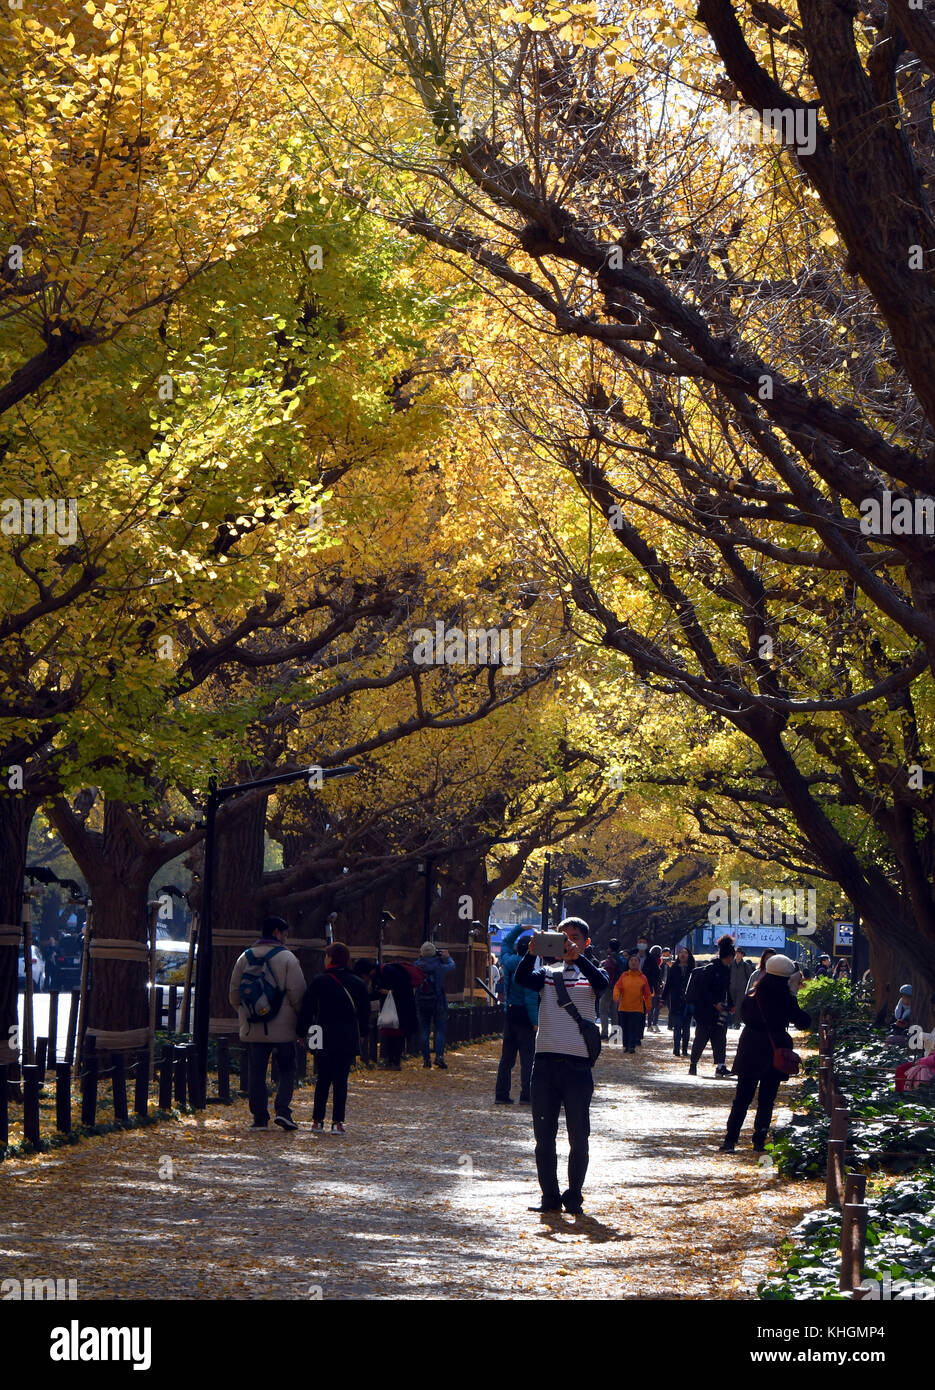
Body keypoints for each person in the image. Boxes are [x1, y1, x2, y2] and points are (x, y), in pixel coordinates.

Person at [516, 917, 608, 1215]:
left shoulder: (592, 973)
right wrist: (531, 952)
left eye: (575, 937)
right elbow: (521, 979)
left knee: (579, 1136)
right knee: (543, 1138)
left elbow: (602, 984)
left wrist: (578, 959)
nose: (568, 942)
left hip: (578, 1067)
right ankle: (549, 1197)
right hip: (543, 1065)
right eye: (562, 937)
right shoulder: (546, 974)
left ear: (586, 942)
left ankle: (574, 1195)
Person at [719, 954, 811, 1152]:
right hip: (774, 1049)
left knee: (742, 1098)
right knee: (767, 1100)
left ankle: (730, 1140)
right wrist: (794, 994)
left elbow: (743, 1016)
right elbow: (804, 1022)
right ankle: (759, 1140)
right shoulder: (787, 999)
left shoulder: (753, 995)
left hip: (750, 1048)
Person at [228, 916, 306, 1131]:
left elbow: (234, 995)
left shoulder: (245, 957)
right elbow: (298, 994)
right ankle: (282, 1110)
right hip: (284, 1029)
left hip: (253, 1027)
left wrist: (249, 1013)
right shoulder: (288, 959)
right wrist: (300, 1020)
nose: (286, 938)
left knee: (257, 1072)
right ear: (276, 933)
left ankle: (260, 1117)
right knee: (288, 1068)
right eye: (285, 934)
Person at [298, 941, 371, 1134]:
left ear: (331, 958)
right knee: (341, 1080)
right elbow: (364, 1012)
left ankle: (317, 1120)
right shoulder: (357, 982)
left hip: (321, 1033)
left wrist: (301, 1032)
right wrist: (363, 1034)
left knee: (322, 1079)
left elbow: (308, 1009)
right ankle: (338, 1122)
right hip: (347, 1035)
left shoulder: (319, 981)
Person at [495, 925, 539, 1104]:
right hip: (525, 1017)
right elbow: (530, 998)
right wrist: (535, 1022)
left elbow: (505, 942)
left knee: (507, 1058)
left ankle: (501, 1094)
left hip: (510, 1013)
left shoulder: (508, 961)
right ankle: (526, 1094)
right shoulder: (528, 970)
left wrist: (521, 928)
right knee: (527, 1059)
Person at [688, 934, 735, 1078]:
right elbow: (704, 990)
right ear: (728, 956)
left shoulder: (726, 970)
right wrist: (715, 1003)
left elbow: (727, 989)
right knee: (701, 1038)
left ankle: (720, 1066)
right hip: (705, 1010)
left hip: (720, 1011)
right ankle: (693, 1064)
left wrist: (730, 1004)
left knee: (720, 1038)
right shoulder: (710, 969)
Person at [415, 940, 455, 1068]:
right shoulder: (439, 966)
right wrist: (447, 957)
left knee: (424, 1030)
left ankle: (426, 1059)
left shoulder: (416, 966)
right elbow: (452, 966)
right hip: (438, 1001)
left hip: (421, 1002)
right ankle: (439, 1056)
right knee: (440, 1030)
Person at [377, 958, 420, 1069]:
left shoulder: (389, 973)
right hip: (403, 1011)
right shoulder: (402, 974)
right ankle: (395, 1061)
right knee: (398, 1037)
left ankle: (392, 1061)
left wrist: (387, 992)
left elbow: (399, 991)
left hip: (395, 1010)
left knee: (392, 1036)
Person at [613, 954, 652, 1052]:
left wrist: (648, 1006)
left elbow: (647, 993)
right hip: (623, 1007)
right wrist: (616, 996)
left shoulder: (643, 977)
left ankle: (632, 1046)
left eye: (635, 960)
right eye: (631, 960)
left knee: (633, 1028)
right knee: (625, 1028)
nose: (633, 962)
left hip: (637, 1008)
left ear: (639, 963)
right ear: (628, 963)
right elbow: (617, 987)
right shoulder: (624, 976)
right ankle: (626, 1045)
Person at [663, 946, 695, 1057]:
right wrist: (663, 998)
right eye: (681, 952)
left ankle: (685, 1049)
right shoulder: (674, 969)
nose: (683, 954)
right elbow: (668, 985)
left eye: (685, 953)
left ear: (689, 955)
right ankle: (676, 1049)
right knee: (677, 1027)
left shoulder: (693, 970)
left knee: (686, 1028)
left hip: (688, 1003)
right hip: (676, 1002)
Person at [352, 957, 381, 1066]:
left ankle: (366, 1058)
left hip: (367, 1008)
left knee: (368, 1031)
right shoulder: (361, 983)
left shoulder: (364, 980)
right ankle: (365, 1058)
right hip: (367, 1009)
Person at [599, 937, 627, 1039]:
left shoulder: (609, 960)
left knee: (603, 1010)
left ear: (609, 947)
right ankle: (615, 1034)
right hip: (619, 988)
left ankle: (604, 1033)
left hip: (608, 987)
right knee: (614, 1011)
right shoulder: (622, 960)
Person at [729, 946, 755, 1028]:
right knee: (730, 1005)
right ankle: (730, 1022)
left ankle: (737, 1023)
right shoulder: (730, 964)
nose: (737, 955)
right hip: (730, 988)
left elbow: (750, 977)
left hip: (742, 989)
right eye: (736, 953)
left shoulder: (746, 966)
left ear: (742, 955)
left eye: (739, 954)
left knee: (738, 1006)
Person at [647, 945, 666, 1031]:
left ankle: (649, 1025)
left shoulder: (648, 961)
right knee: (656, 1006)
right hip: (656, 986)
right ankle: (654, 1024)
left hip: (650, 986)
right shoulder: (660, 963)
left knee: (650, 1006)